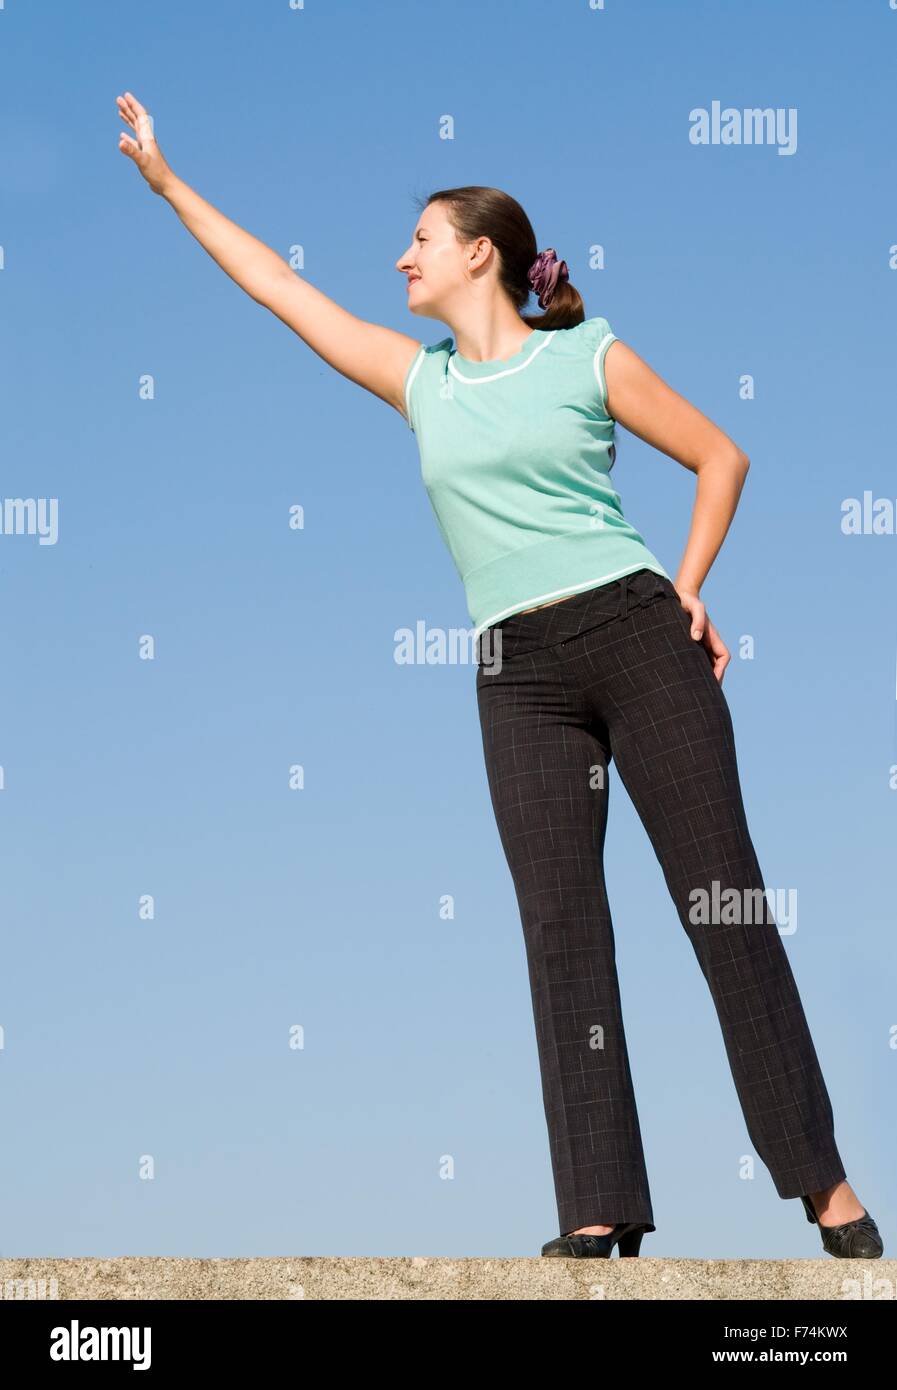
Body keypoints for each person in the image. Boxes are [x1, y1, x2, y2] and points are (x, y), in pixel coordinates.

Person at [115, 91, 883, 1261]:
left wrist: (687, 583)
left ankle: (823, 1185)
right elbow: (279, 287)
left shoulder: (587, 354)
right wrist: (170, 185)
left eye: (417, 240)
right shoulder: (417, 381)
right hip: (515, 669)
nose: (398, 259)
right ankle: (599, 1205)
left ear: (478, 253)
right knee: (559, 928)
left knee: (722, 904)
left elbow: (720, 455)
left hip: (636, 633)